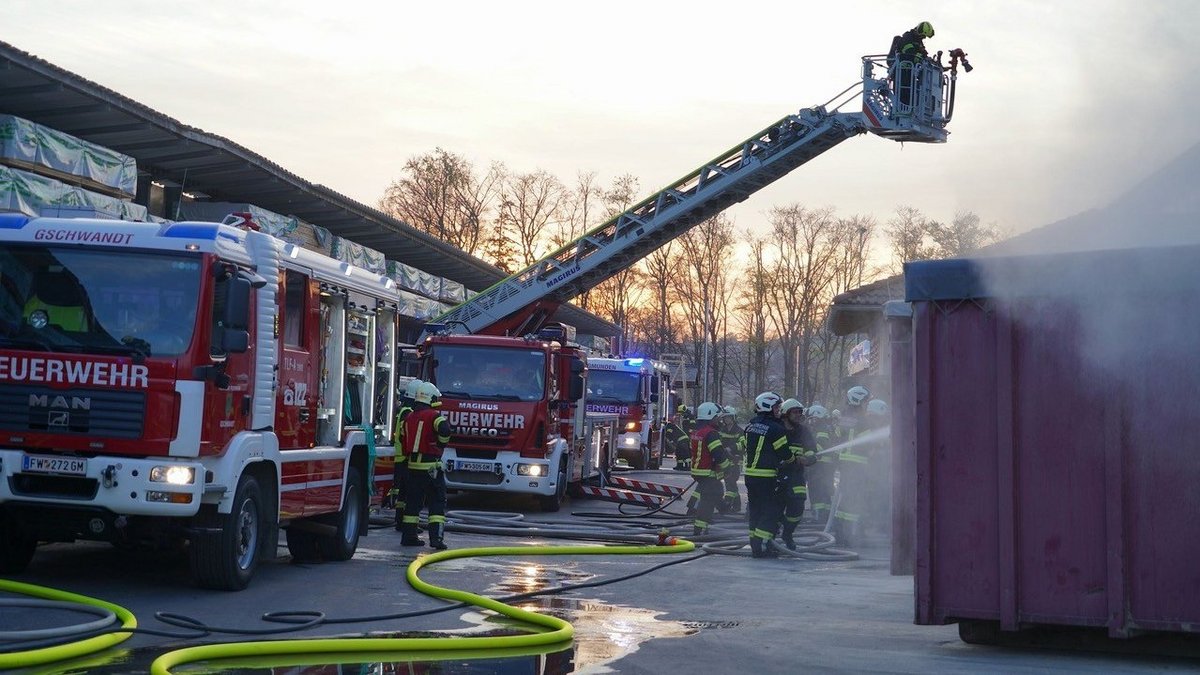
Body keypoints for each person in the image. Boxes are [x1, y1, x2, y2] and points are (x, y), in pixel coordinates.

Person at [400, 381, 453, 549]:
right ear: (431, 398)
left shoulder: (408, 417)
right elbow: (445, 429)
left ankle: (409, 537)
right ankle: (436, 539)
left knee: (413, 503)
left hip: (412, 467)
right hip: (431, 468)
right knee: (437, 502)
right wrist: (440, 444)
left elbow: (402, 438)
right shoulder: (434, 416)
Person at [743, 391, 791, 558]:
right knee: (771, 511)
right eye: (777, 407)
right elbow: (785, 454)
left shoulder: (750, 426)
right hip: (766, 476)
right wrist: (794, 458)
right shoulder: (776, 429)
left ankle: (755, 546)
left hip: (749, 476)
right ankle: (762, 545)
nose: (779, 411)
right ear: (768, 406)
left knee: (755, 511)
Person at [833, 386, 871, 546]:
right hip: (857, 464)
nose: (866, 404)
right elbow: (869, 443)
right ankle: (850, 534)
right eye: (865, 401)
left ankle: (840, 531)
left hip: (844, 463)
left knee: (846, 497)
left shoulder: (843, 417)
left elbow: (835, 437)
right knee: (854, 498)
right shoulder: (863, 420)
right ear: (858, 400)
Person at [779, 399, 817, 551]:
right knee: (775, 508)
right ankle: (769, 539)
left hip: (796, 475)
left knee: (798, 507)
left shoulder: (804, 431)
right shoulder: (777, 429)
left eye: (800, 412)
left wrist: (808, 459)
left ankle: (787, 533)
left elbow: (812, 451)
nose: (798, 415)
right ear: (786, 413)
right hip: (777, 474)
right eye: (795, 412)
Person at [688, 402, 731, 537]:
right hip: (708, 472)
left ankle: (722, 508)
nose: (720, 420)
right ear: (710, 416)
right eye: (718, 417)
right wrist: (727, 468)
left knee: (716, 492)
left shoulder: (697, 431)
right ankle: (699, 529)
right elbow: (718, 454)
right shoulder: (711, 433)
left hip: (699, 471)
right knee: (707, 502)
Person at [389, 378, 422, 531]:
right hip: (404, 457)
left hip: (399, 456)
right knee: (406, 492)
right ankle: (403, 523)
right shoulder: (409, 413)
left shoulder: (403, 410)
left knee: (401, 491)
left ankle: (400, 520)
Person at [888, 21, 935, 110]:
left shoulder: (918, 41)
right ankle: (902, 110)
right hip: (902, 73)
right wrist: (921, 58)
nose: (924, 38)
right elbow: (909, 53)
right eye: (923, 36)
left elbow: (922, 53)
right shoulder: (907, 38)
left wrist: (929, 60)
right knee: (903, 97)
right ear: (918, 32)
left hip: (910, 73)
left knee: (912, 95)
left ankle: (910, 110)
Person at [804, 404, 836, 526]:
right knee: (825, 491)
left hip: (818, 466)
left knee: (816, 490)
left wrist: (807, 451)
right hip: (827, 466)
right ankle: (826, 516)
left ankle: (818, 516)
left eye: (812, 418)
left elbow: (820, 446)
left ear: (817, 416)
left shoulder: (820, 429)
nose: (810, 421)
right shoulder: (827, 427)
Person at [718, 405, 745, 513]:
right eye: (725, 417)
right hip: (725, 461)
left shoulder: (739, 431)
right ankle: (737, 506)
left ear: (733, 417)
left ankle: (727, 504)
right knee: (730, 483)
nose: (727, 419)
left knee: (731, 482)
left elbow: (743, 444)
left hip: (736, 460)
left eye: (729, 417)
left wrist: (731, 448)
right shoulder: (722, 430)